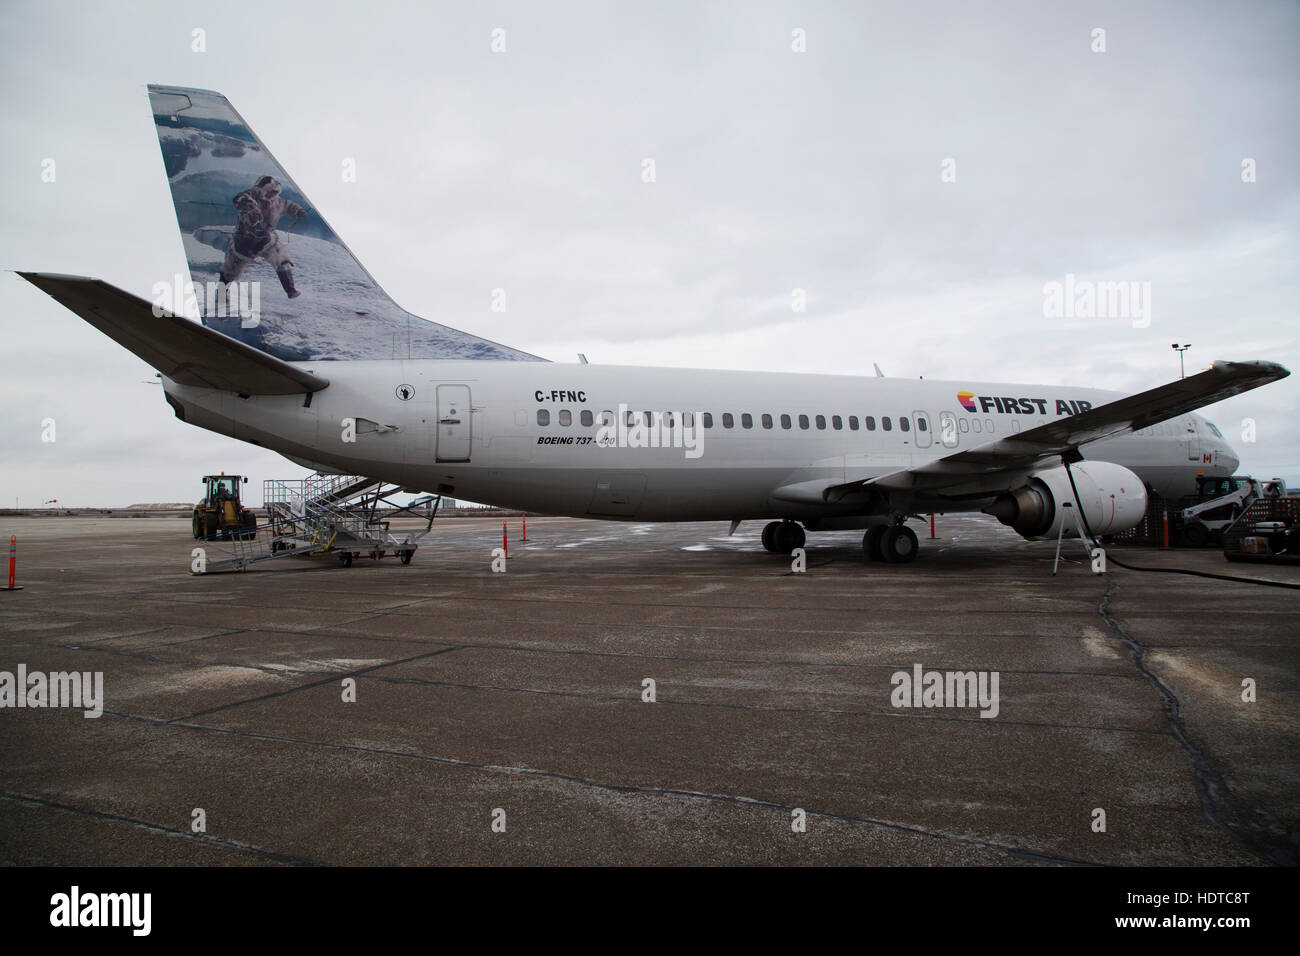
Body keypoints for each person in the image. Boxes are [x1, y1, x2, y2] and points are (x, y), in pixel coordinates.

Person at [218, 175, 309, 298]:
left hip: (268, 240)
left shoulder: (278, 202)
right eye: (269, 191)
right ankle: (222, 293)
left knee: (282, 260)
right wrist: (251, 207)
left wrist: (298, 211)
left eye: (274, 192)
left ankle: (290, 290)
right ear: (261, 189)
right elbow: (239, 199)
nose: (271, 195)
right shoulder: (250, 195)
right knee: (232, 269)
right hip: (245, 239)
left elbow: (288, 206)